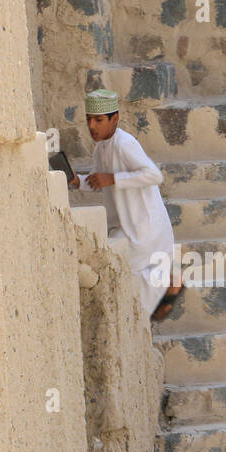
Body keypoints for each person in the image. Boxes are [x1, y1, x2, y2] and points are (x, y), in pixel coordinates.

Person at [68, 89, 183, 322]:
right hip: (126, 226)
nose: (92, 126)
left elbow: (153, 175)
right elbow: (97, 180)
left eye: (98, 120)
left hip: (145, 230)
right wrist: (77, 181)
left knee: (131, 288)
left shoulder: (125, 144)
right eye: (89, 119)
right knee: (131, 290)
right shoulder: (102, 147)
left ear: (115, 118)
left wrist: (113, 179)